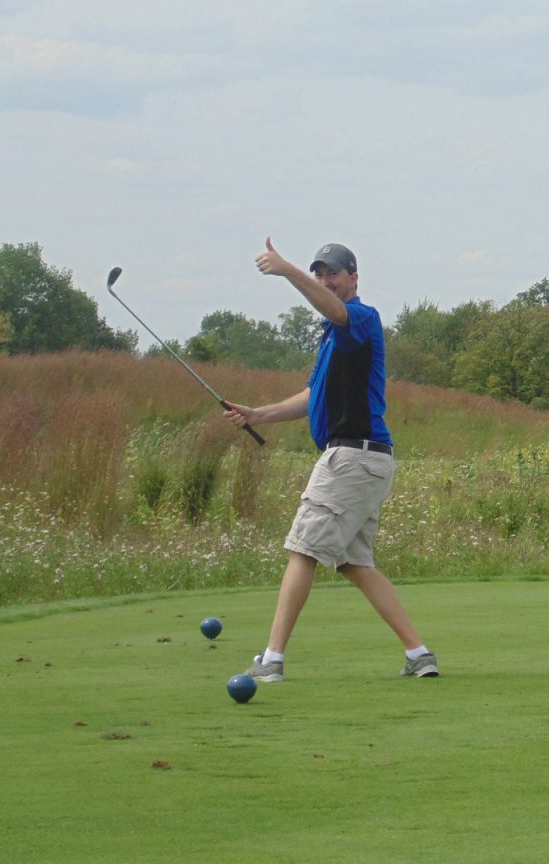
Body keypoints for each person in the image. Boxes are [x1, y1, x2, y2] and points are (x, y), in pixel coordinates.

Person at [224, 239, 438, 683]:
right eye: (319, 275)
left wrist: (286, 271)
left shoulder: (360, 317)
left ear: (354, 279)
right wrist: (259, 414)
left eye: (333, 274)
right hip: (366, 460)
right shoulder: (330, 342)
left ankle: (272, 660)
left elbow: (336, 312)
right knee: (353, 563)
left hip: (352, 457)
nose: (326, 282)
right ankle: (419, 654)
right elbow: (311, 396)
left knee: (303, 550)